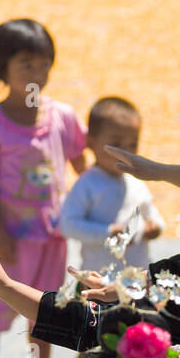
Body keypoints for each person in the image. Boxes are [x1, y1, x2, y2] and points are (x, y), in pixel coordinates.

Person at [0, 18, 88, 358]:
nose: (37, 72)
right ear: (2, 69)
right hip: (11, 245)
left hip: (52, 242)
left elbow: (83, 169)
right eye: (26, 65)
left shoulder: (63, 117)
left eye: (43, 63)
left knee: (43, 320)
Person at [59, 97, 165, 274]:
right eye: (116, 144)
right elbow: (68, 225)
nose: (125, 152)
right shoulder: (87, 184)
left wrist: (155, 228)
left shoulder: (135, 181)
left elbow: (152, 215)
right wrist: (107, 232)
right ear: (91, 143)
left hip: (138, 280)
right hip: (99, 280)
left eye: (132, 144)